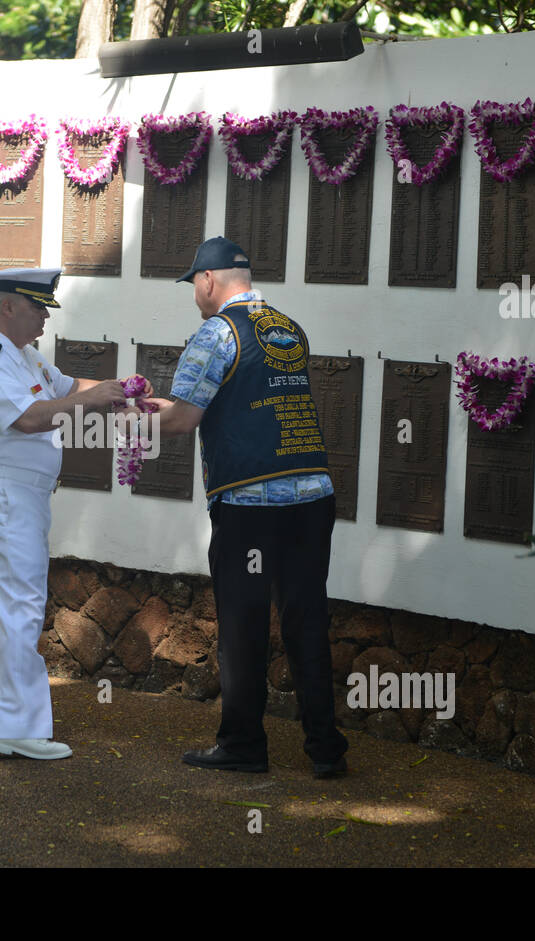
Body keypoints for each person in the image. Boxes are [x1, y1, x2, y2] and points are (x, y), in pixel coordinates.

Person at [145, 237, 349, 778]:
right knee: (307, 620)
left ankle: (243, 744)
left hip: (251, 503)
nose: (194, 294)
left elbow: (184, 417)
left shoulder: (216, 333)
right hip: (312, 498)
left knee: (243, 623)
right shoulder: (287, 327)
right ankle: (325, 749)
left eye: (193, 284)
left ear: (208, 280)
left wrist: (127, 419)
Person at [0, 267, 127, 760]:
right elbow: (29, 418)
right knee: (22, 607)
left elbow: (71, 385)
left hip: (22, 495)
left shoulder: (21, 355)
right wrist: (93, 398)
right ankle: (17, 729)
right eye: (37, 307)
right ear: (7, 306)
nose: (46, 318)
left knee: (8, 608)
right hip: (5, 493)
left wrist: (120, 390)